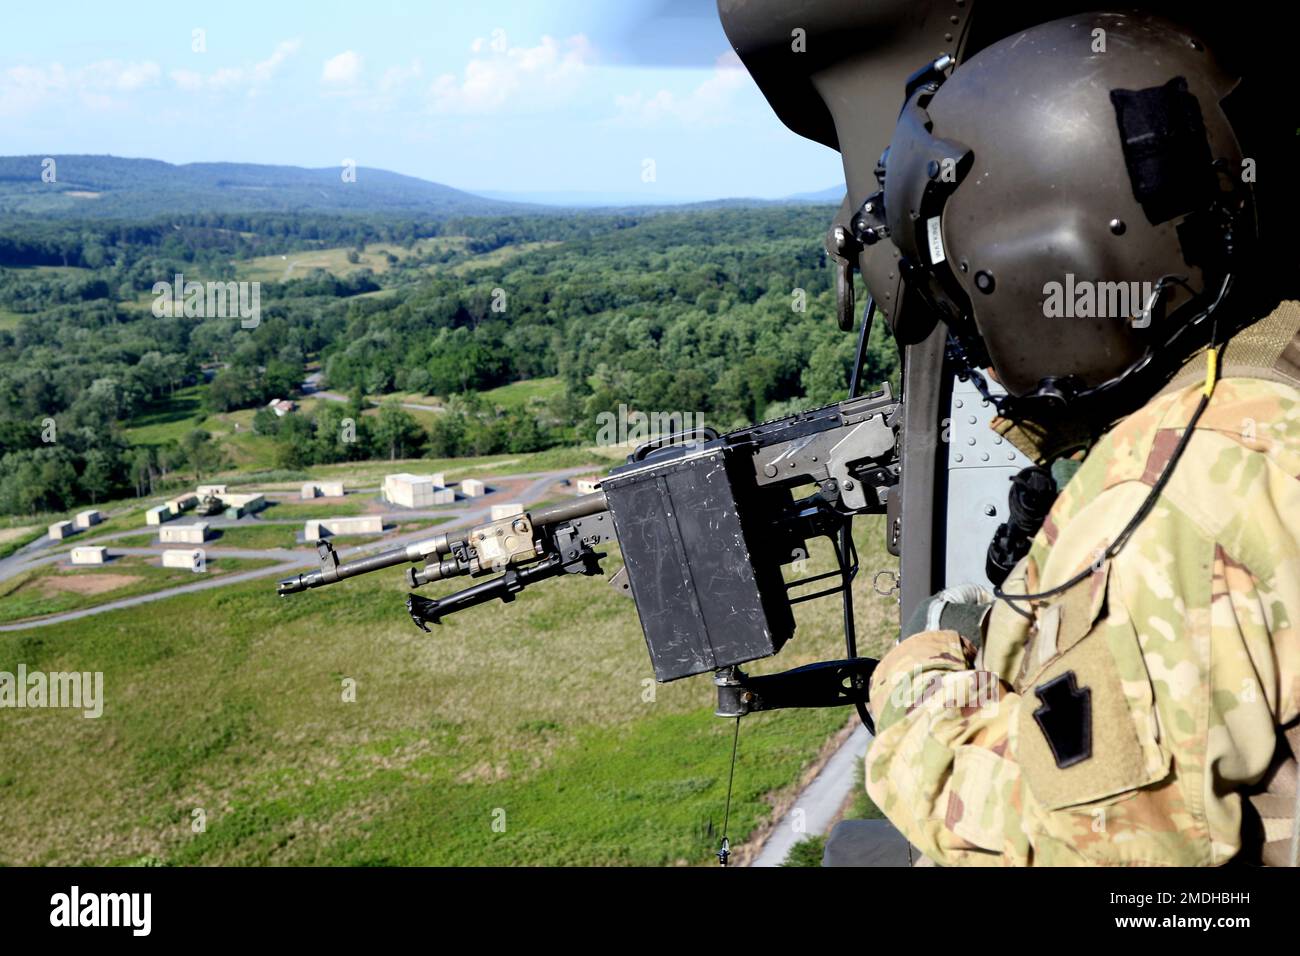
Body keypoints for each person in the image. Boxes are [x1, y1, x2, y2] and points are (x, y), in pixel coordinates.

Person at [857, 11, 1300, 865]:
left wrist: (919, 686)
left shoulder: (1163, 507)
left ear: (1038, 270)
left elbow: (1075, 846)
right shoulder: (1272, 358)